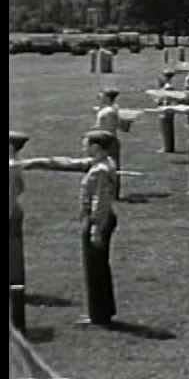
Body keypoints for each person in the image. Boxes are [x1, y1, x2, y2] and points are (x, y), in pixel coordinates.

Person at [21, 130, 120, 326]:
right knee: (98, 266)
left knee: (95, 267)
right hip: (100, 219)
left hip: (98, 220)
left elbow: (100, 201)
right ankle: (103, 312)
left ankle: (98, 316)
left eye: (86, 143)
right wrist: (37, 162)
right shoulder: (101, 163)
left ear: (96, 147)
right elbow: (69, 163)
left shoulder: (100, 170)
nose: (83, 146)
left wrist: (95, 229)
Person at [9, 131, 30, 287]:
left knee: (13, 248)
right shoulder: (16, 163)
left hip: (10, 209)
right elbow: (21, 188)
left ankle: (14, 282)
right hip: (15, 207)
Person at [94, 89, 122, 199]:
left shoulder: (109, 111)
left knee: (111, 167)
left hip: (108, 141)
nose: (99, 96)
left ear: (107, 97)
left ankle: (112, 193)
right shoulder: (109, 109)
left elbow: (109, 128)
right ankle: (107, 192)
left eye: (102, 95)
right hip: (104, 140)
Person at [157, 70, 177, 153]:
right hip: (168, 109)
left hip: (166, 109)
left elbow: (166, 99)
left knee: (166, 129)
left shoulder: (168, 87)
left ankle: (167, 147)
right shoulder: (167, 86)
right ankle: (168, 146)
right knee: (168, 129)